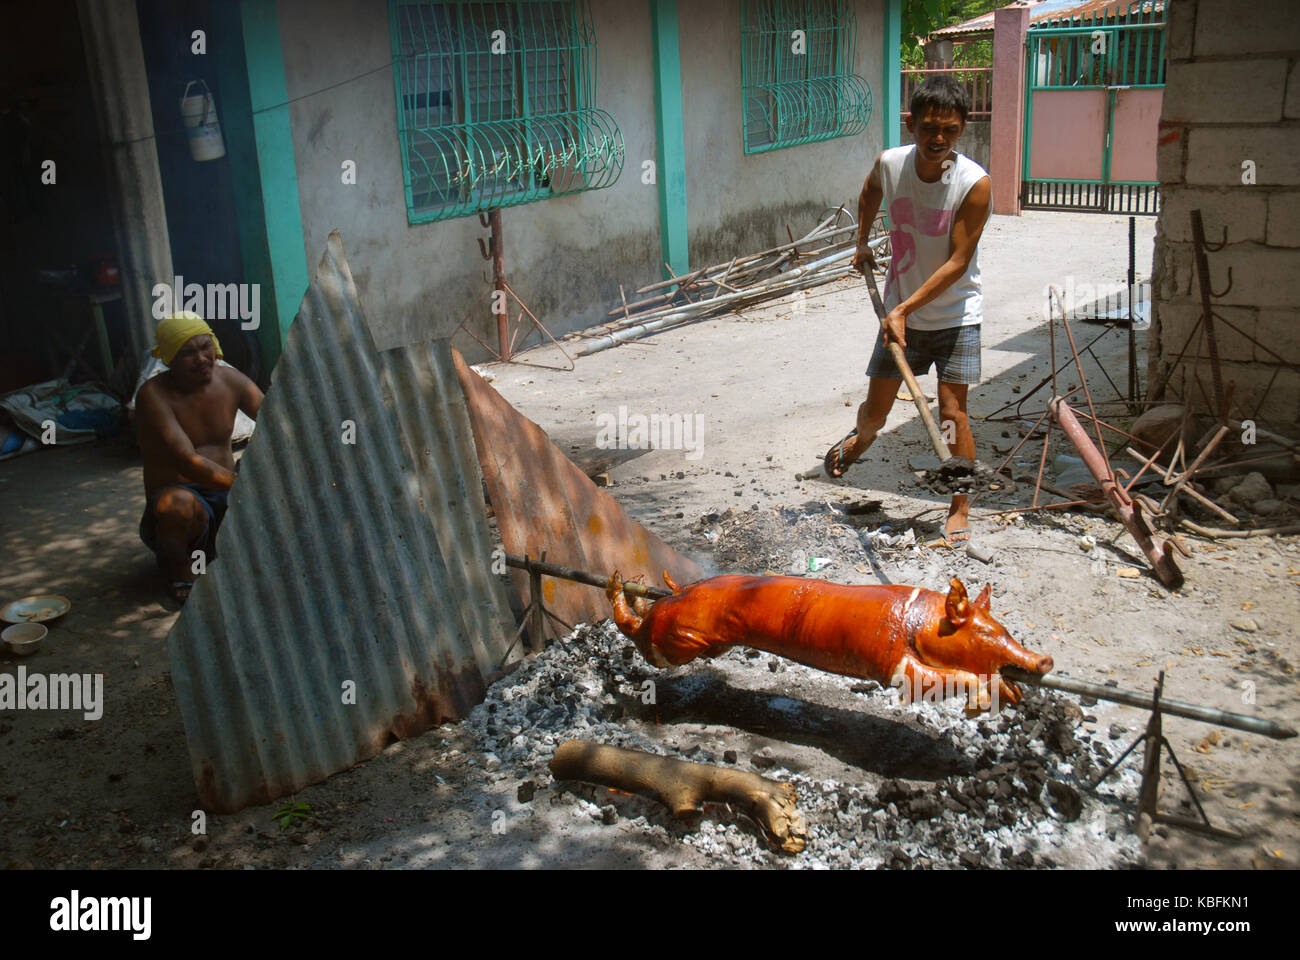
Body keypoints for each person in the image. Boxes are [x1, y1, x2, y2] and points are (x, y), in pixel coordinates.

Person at [824, 75, 991, 547]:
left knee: (951, 413)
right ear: (911, 123)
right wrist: (861, 242)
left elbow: (959, 262)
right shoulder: (891, 164)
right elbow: (868, 192)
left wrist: (903, 310)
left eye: (951, 130)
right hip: (900, 315)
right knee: (875, 411)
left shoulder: (973, 184)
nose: (939, 139)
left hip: (957, 316)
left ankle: (959, 503)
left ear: (962, 129)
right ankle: (862, 439)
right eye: (930, 128)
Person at [136, 312, 263, 603]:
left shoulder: (230, 379)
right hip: (188, 500)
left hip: (228, 498)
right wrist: (242, 484)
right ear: (168, 359)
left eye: (206, 347)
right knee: (176, 504)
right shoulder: (153, 395)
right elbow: (186, 460)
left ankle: (230, 547)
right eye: (188, 353)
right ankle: (181, 571)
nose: (202, 358)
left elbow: (274, 419)